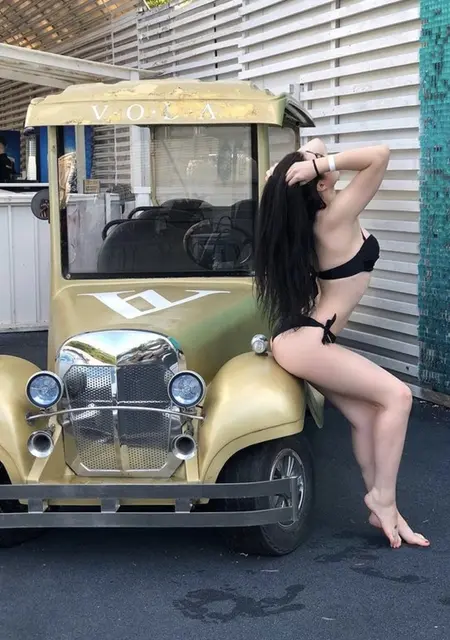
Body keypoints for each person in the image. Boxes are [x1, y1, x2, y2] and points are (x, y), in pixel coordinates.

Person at [254, 138, 429, 549]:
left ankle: (384, 511)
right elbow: (380, 155)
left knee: (367, 417)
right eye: (316, 162)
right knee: (398, 396)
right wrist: (316, 165)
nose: (320, 156)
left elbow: (315, 144)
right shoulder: (333, 217)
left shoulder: (322, 210)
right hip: (308, 343)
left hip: (302, 339)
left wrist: (299, 167)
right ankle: (383, 497)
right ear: (317, 184)